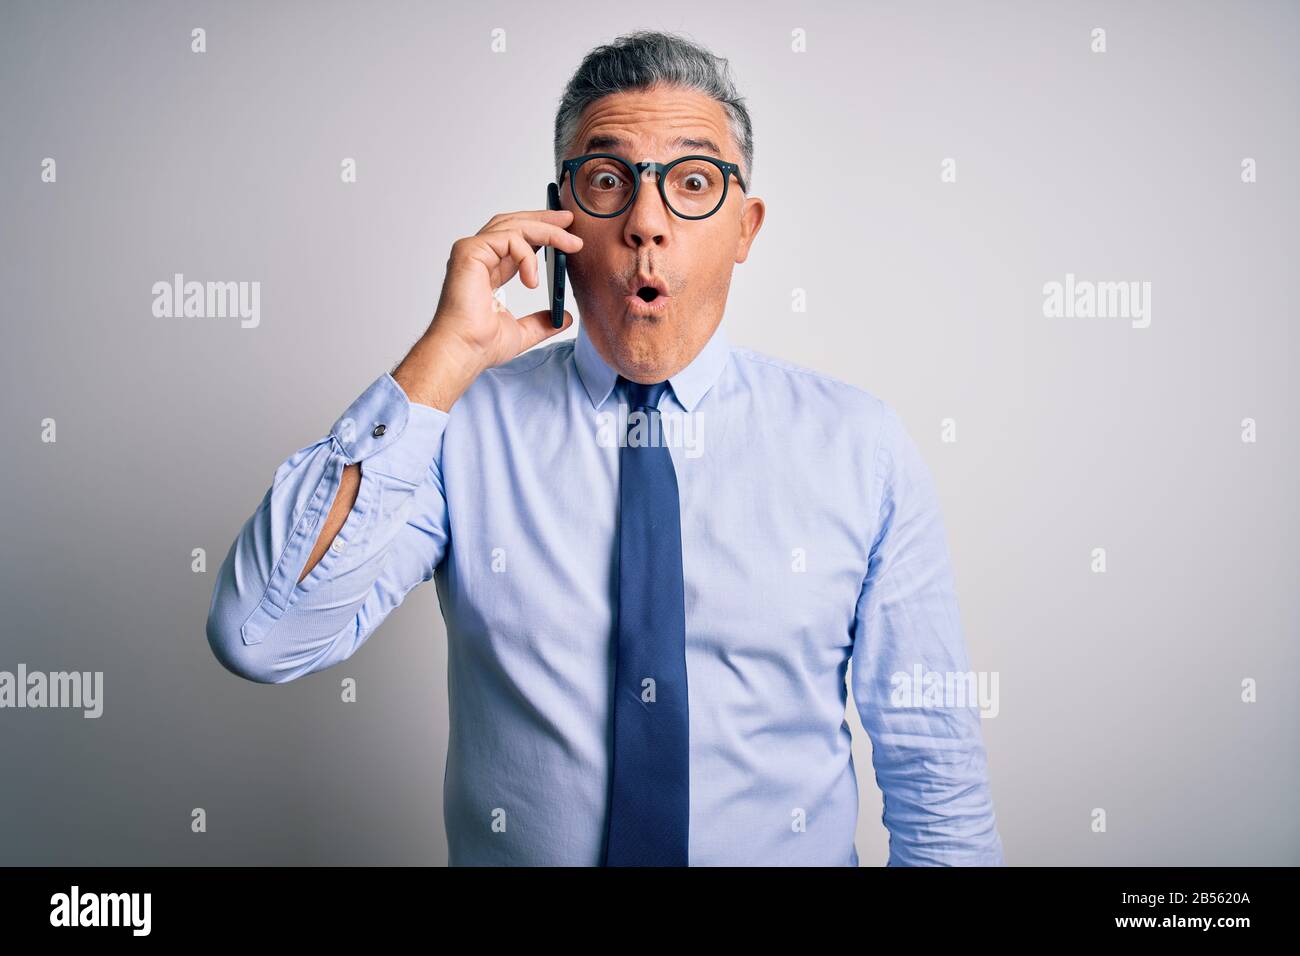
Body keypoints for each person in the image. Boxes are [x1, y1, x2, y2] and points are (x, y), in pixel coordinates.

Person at [205, 29, 1005, 867]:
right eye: (608, 182)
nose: (646, 224)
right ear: (561, 219)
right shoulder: (460, 431)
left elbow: (934, 780)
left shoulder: (860, 447)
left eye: (693, 182)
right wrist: (442, 358)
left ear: (745, 226)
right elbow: (262, 635)